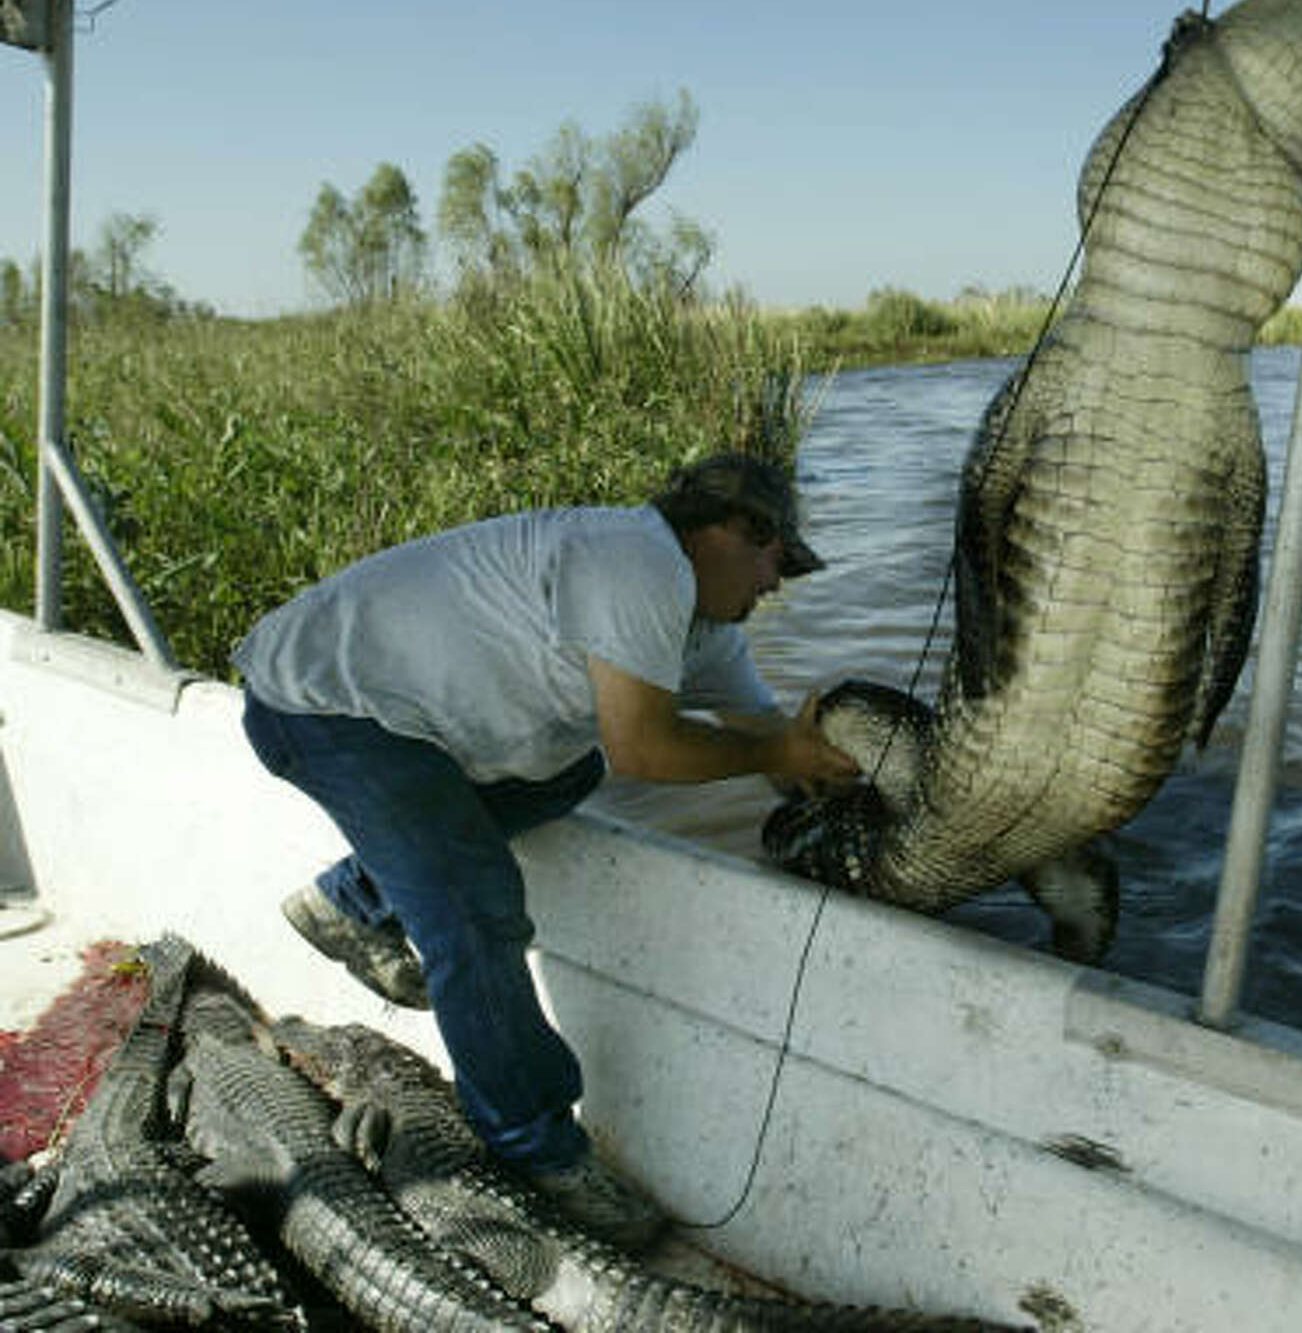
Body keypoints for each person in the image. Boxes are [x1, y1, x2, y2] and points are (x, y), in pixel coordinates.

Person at [232, 452, 858, 1252]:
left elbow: (770, 741)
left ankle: (353, 900)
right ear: (734, 529)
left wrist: (831, 782)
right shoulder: (640, 560)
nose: (778, 585)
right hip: (321, 703)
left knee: (571, 768)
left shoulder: (704, 633)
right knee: (475, 909)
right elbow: (645, 747)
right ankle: (535, 1147)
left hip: (401, 717)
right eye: (778, 560)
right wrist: (775, 753)